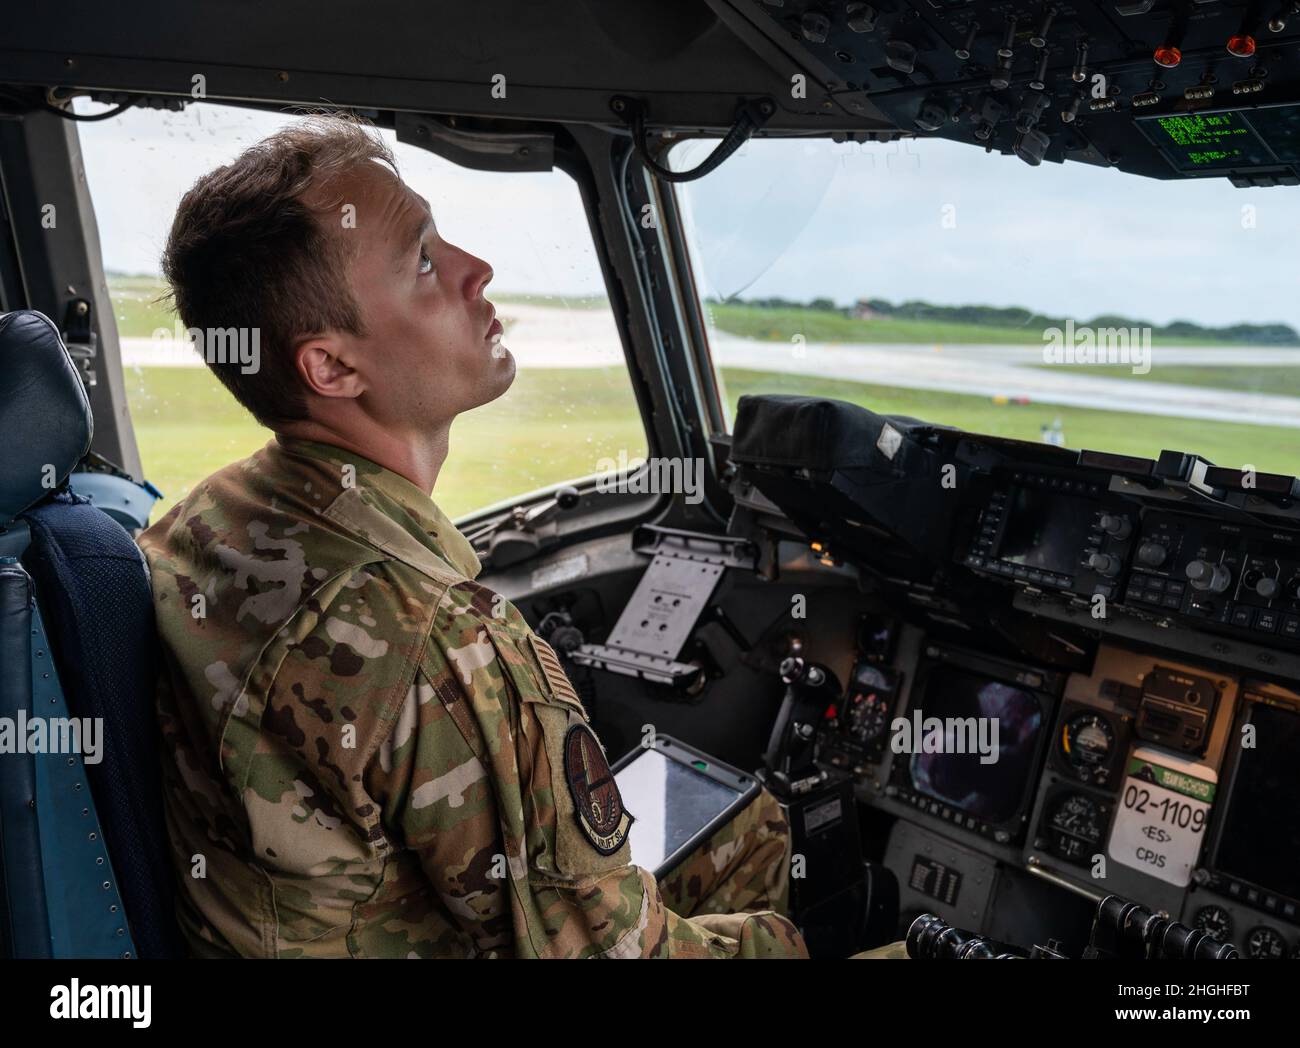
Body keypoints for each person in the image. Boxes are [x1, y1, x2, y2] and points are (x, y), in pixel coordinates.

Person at [138, 115, 808, 958]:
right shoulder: (438, 637)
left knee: (744, 830)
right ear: (333, 368)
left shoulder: (205, 518)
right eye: (423, 260)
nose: (475, 269)